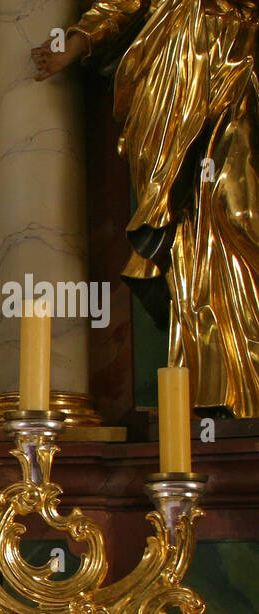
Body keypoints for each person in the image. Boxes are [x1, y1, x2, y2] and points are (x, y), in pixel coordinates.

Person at [34, 1, 259, 418]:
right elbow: (122, 3)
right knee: (192, 227)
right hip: (172, 73)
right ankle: (220, 385)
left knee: (237, 209)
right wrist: (76, 42)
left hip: (236, 63)